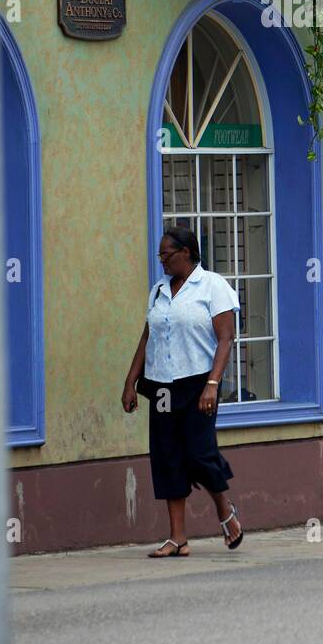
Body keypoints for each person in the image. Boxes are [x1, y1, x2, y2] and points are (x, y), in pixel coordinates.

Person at [121, 227, 243, 556]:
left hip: (198, 383)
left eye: (167, 255)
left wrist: (213, 385)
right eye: (160, 255)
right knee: (167, 456)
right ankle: (177, 538)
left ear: (186, 253)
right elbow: (149, 337)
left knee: (200, 453)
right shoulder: (159, 290)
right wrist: (130, 381)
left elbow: (225, 339)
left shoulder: (212, 286)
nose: (161, 260)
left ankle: (223, 507)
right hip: (162, 384)